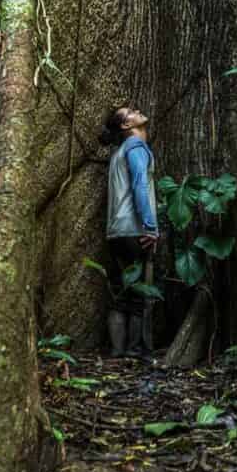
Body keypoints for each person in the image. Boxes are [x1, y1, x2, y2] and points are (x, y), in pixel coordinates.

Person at [99, 104, 159, 358]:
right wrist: (150, 226)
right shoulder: (135, 147)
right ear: (126, 125)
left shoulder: (118, 153)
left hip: (115, 232)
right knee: (138, 294)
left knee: (119, 294)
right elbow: (139, 185)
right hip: (135, 229)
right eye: (132, 111)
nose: (137, 110)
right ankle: (134, 351)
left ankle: (117, 351)